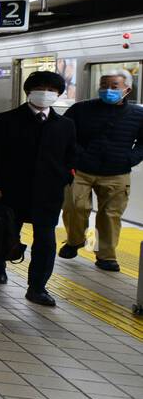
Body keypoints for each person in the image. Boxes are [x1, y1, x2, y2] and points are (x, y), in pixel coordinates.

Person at [0, 71, 76, 306]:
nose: (46, 94)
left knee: (45, 240)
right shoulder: (7, 119)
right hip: (11, 189)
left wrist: (66, 177)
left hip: (49, 193)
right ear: (28, 91)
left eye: (52, 90)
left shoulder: (65, 125)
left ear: (58, 94)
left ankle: (37, 287)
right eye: (40, 88)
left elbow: (70, 156)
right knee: (7, 231)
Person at [61, 68, 143, 271]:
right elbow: (65, 134)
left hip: (117, 172)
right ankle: (75, 240)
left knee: (110, 215)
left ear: (127, 89)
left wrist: (129, 159)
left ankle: (106, 255)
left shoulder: (138, 115)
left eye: (114, 86)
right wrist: (77, 155)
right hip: (81, 170)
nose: (108, 90)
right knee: (74, 207)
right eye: (103, 85)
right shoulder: (80, 109)